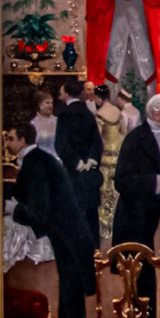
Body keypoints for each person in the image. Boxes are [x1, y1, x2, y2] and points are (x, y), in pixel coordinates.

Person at [4, 121, 97, 318]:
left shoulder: (35, 163)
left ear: (23, 140)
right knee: (69, 299)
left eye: (10, 138)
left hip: (71, 241)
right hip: (69, 238)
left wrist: (15, 210)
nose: (7, 144)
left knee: (71, 300)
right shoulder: (38, 160)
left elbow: (40, 212)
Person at [110, 93, 160, 316]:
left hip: (150, 220)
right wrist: (157, 183)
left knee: (147, 275)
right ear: (156, 115)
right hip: (132, 220)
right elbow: (121, 182)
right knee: (141, 276)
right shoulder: (135, 140)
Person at [54, 79, 104, 248]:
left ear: (67, 94)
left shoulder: (64, 114)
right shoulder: (88, 113)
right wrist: (90, 160)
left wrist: (76, 162)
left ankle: (79, 249)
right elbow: (97, 142)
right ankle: (95, 249)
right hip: (90, 171)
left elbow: (61, 145)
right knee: (91, 213)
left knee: (74, 210)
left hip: (73, 172)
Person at [94, 83, 127, 238]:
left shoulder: (100, 113)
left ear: (98, 98)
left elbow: (98, 138)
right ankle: (118, 223)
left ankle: (107, 227)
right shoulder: (117, 111)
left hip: (106, 154)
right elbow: (124, 132)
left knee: (106, 191)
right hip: (119, 153)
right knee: (117, 190)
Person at [29, 89, 59, 154]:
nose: (51, 105)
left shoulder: (58, 121)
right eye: (47, 103)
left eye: (52, 103)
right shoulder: (33, 123)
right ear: (40, 105)